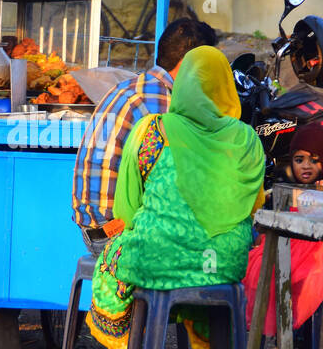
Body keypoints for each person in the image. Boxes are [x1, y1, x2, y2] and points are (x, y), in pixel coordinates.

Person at [85, 46, 266, 349]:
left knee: (109, 270)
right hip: (224, 265)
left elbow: (127, 208)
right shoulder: (247, 139)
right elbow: (254, 205)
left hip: (155, 258)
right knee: (203, 284)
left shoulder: (154, 130)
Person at [71, 17, 217, 256]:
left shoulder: (132, 88)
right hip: (117, 234)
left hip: (94, 229)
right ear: (194, 63)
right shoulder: (166, 102)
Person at [244, 122, 323, 349]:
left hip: (322, 259)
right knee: (262, 272)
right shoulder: (282, 190)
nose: (306, 166)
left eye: (314, 159)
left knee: (314, 281)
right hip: (288, 253)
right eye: (299, 159)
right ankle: (295, 330)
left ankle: (306, 331)